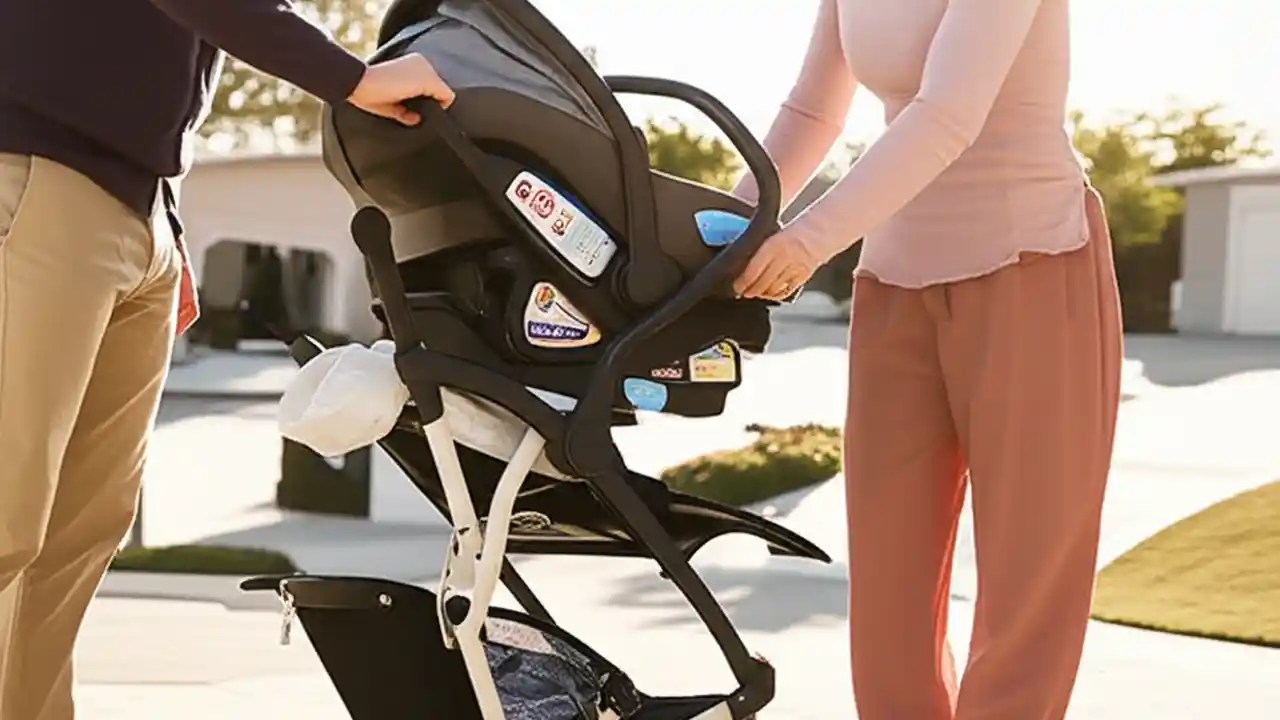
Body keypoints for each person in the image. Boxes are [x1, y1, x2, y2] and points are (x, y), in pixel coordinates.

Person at [0, 1, 453, 717]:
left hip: (134, 202)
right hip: (34, 171)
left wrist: (163, 226)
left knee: (81, 530)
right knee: (7, 512)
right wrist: (352, 77)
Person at [732, 1, 1121, 718]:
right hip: (895, 284)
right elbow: (813, 110)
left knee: (1027, 591)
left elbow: (949, 111)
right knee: (889, 593)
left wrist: (809, 242)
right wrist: (720, 231)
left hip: (1031, 265)